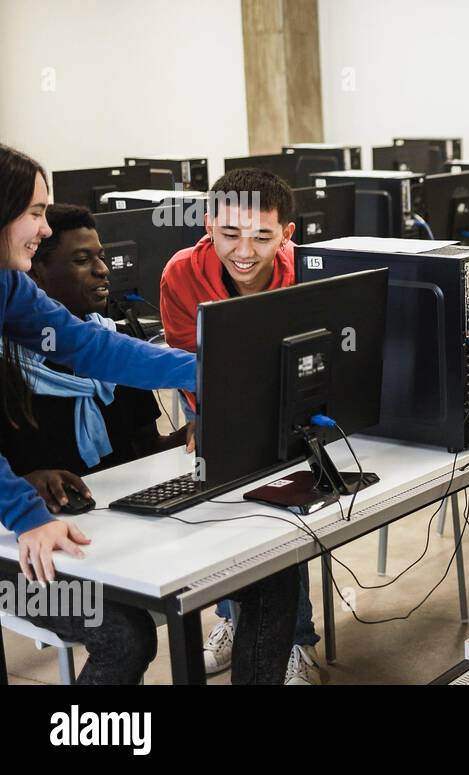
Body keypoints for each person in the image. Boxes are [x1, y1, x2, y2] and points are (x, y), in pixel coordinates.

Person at [0, 144, 296, 685]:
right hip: (12, 547)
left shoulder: (8, 286)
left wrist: (212, 370)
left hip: (53, 520)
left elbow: (89, 345)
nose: (43, 229)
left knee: (268, 573)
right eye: (37, 213)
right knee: (123, 634)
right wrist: (24, 513)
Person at [159, 167, 322, 685]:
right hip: (212, 400)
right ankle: (233, 620)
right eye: (229, 233)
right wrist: (209, 420)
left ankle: (295, 641)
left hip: (287, 398)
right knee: (223, 506)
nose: (244, 250)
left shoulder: (309, 270)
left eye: (262, 236)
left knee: (282, 511)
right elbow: (188, 361)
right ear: (208, 224)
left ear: (287, 234)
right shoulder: (181, 273)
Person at [0, 204, 186, 501]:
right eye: (82, 260)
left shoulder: (115, 341)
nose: (103, 269)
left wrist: (191, 435)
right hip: (43, 530)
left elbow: (147, 448)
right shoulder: (8, 364)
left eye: (101, 257)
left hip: (128, 515)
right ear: (33, 273)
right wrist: (25, 484)